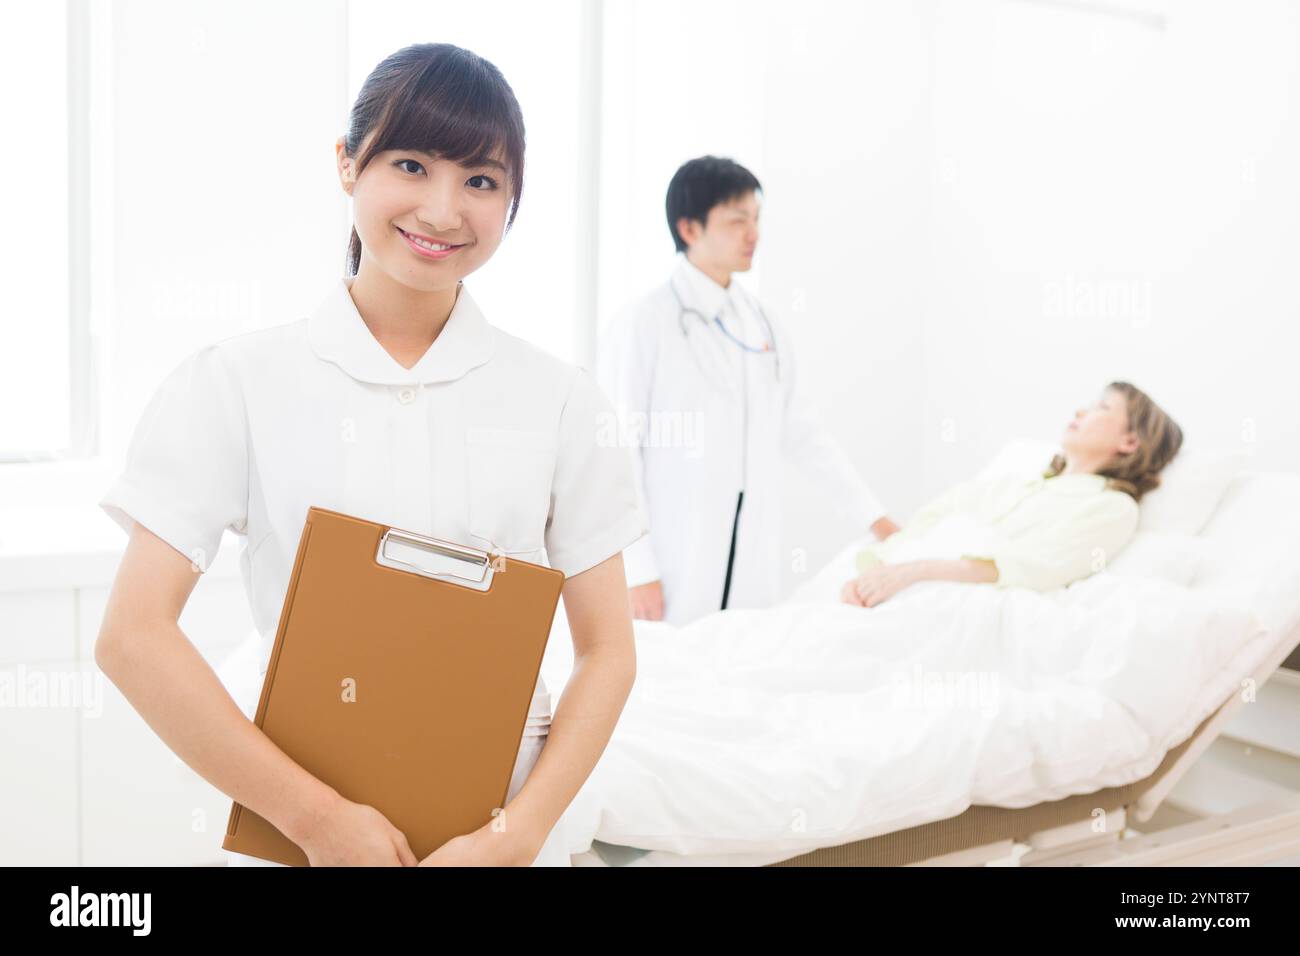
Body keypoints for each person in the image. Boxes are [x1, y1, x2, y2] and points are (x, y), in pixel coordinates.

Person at [94, 43, 647, 867]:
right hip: (308, 834)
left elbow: (607, 650)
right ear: (349, 164)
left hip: (503, 840)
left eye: (482, 181)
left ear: (513, 202)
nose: (442, 209)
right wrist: (316, 821)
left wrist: (516, 834)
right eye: (412, 163)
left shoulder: (560, 401)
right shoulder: (237, 382)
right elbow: (132, 637)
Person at [597, 155, 899, 627]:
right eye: (737, 220)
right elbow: (617, 455)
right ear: (690, 228)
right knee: (666, 684)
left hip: (751, 559)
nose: (753, 233)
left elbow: (803, 434)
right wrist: (637, 571)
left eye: (756, 219)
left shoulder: (762, 323)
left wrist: (874, 518)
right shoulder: (644, 322)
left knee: (739, 676)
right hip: (674, 560)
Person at [841, 382, 1183, 607]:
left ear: (1130, 442)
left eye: (1102, 408)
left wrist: (912, 573)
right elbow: (928, 521)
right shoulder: (1012, 485)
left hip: (957, 604)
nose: (1081, 411)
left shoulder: (1112, 508)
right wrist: (871, 575)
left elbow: (1032, 568)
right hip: (892, 590)